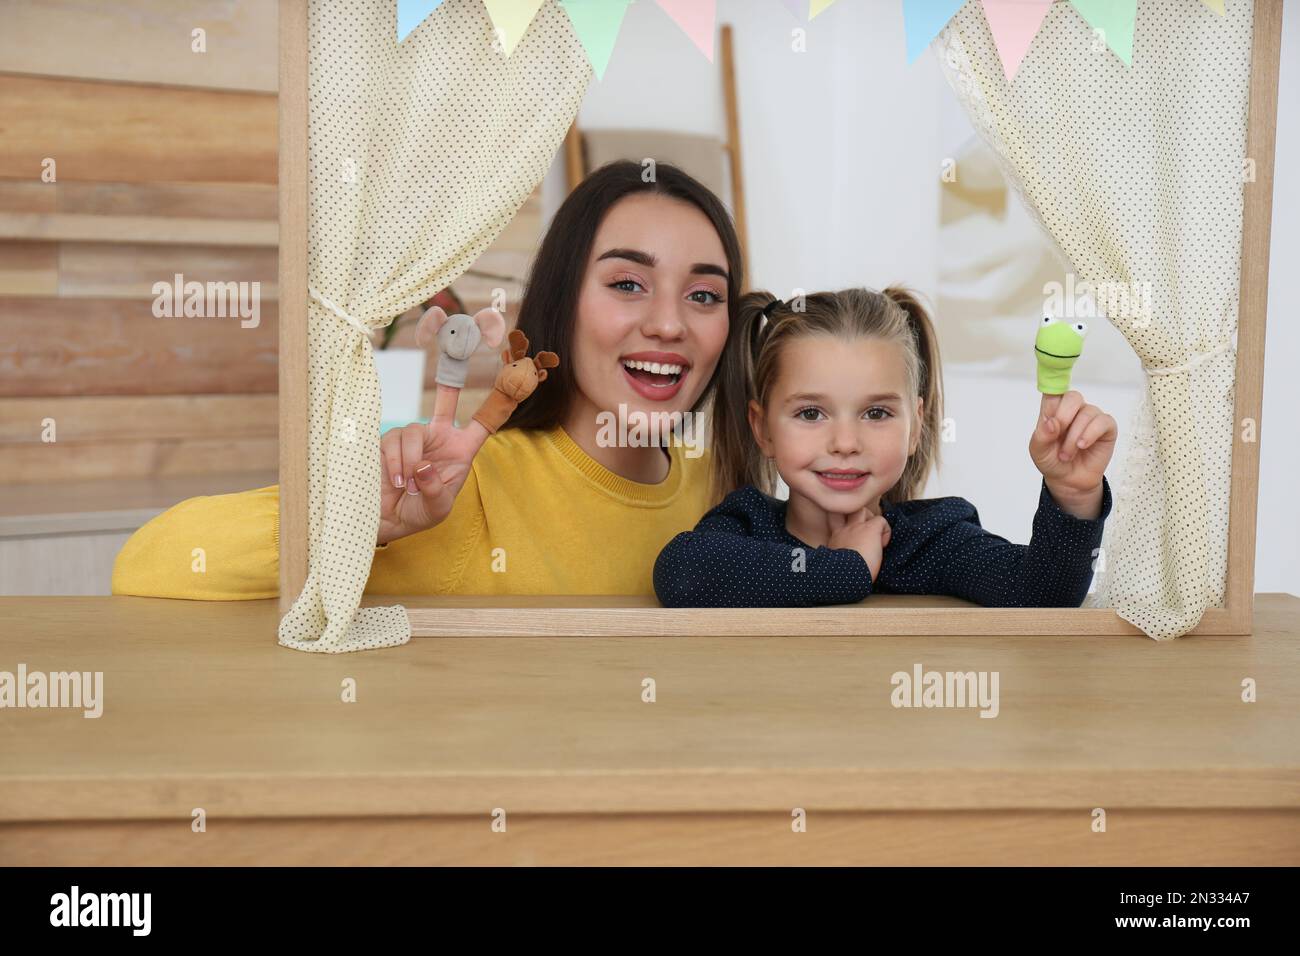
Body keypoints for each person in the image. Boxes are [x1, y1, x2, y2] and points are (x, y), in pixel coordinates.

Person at [111, 162, 744, 599]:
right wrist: (361, 521)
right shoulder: (459, 494)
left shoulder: (726, 489)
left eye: (703, 295)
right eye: (627, 284)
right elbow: (149, 560)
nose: (669, 323)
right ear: (562, 301)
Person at [653, 288, 1117, 608]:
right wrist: (846, 567)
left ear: (916, 427)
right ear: (764, 429)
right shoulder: (745, 526)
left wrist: (1074, 496)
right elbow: (681, 573)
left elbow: (1042, 595)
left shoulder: (934, 541)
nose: (846, 444)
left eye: (876, 414)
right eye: (811, 413)